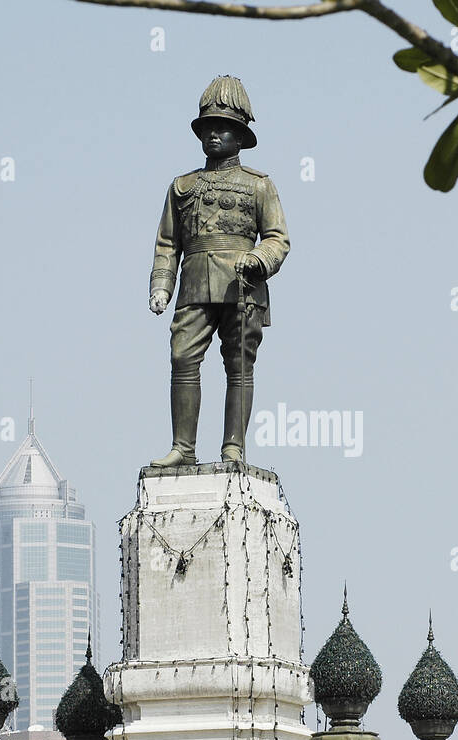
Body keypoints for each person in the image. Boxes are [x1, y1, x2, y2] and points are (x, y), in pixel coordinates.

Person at [147, 75, 290, 466]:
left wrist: (259, 259)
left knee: (238, 363)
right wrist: (161, 284)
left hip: (242, 288)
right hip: (193, 285)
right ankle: (183, 447)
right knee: (182, 357)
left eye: (223, 127)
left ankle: (233, 446)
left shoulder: (259, 185)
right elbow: (167, 243)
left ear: (240, 136)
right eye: (208, 126)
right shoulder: (182, 186)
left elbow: (278, 238)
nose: (213, 134)